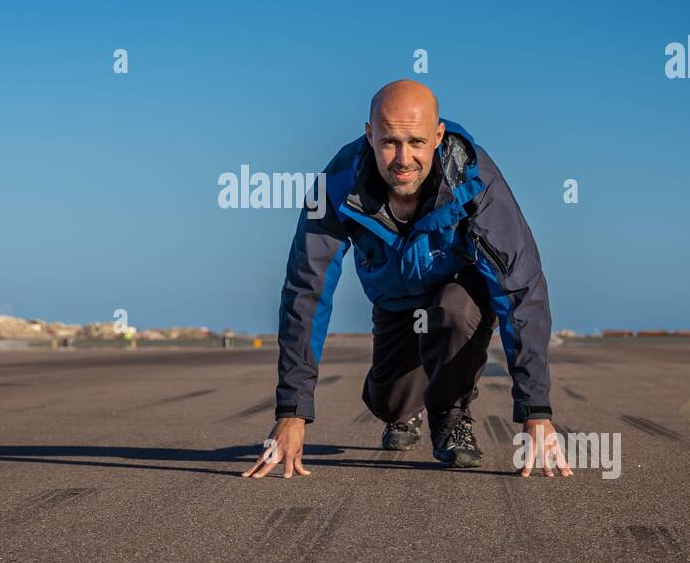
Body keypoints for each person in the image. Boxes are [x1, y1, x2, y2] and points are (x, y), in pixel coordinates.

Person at [242, 79, 570, 478]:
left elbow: (521, 288)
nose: (403, 158)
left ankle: (451, 418)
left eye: (416, 142)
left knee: (454, 310)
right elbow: (305, 290)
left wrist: (535, 411)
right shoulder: (336, 184)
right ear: (369, 135)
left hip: (456, 297)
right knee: (390, 402)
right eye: (389, 142)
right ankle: (404, 411)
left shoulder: (475, 180)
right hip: (394, 303)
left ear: (437, 136)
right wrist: (293, 411)